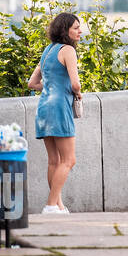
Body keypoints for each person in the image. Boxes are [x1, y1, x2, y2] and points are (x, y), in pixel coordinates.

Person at [28, 12, 83, 214]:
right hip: (60, 108)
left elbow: (32, 83)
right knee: (69, 160)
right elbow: (75, 83)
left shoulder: (47, 51)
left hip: (44, 106)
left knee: (54, 160)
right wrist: (76, 92)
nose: (80, 31)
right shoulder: (68, 50)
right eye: (76, 28)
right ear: (65, 30)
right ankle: (51, 205)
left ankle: (58, 205)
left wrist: (53, 85)